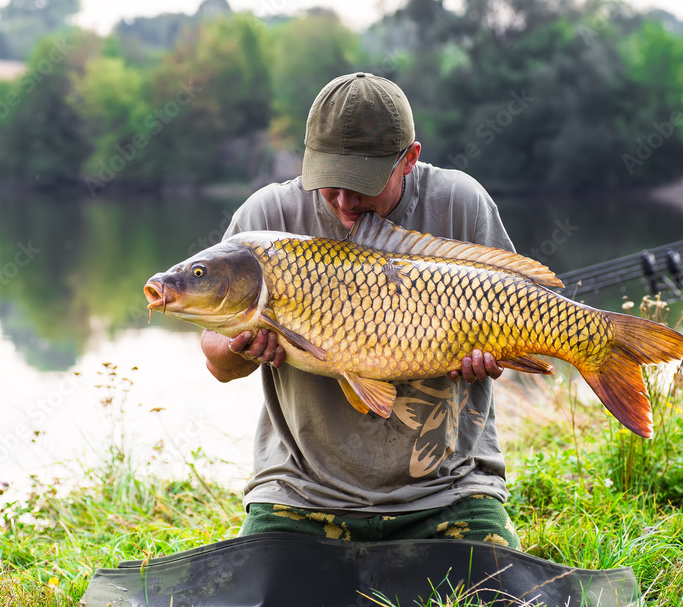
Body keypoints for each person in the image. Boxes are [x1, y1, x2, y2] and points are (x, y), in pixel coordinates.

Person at [200, 72, 521, 549]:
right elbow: (216, 363)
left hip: (450, 487)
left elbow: (520, 310)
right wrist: (240, 348)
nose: (346, 201)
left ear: (409, 159)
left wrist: (492, 359)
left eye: (362, 184)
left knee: (500, 595)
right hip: (300, 490)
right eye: (330, 183)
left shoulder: (460, 204)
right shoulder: (265, 220)